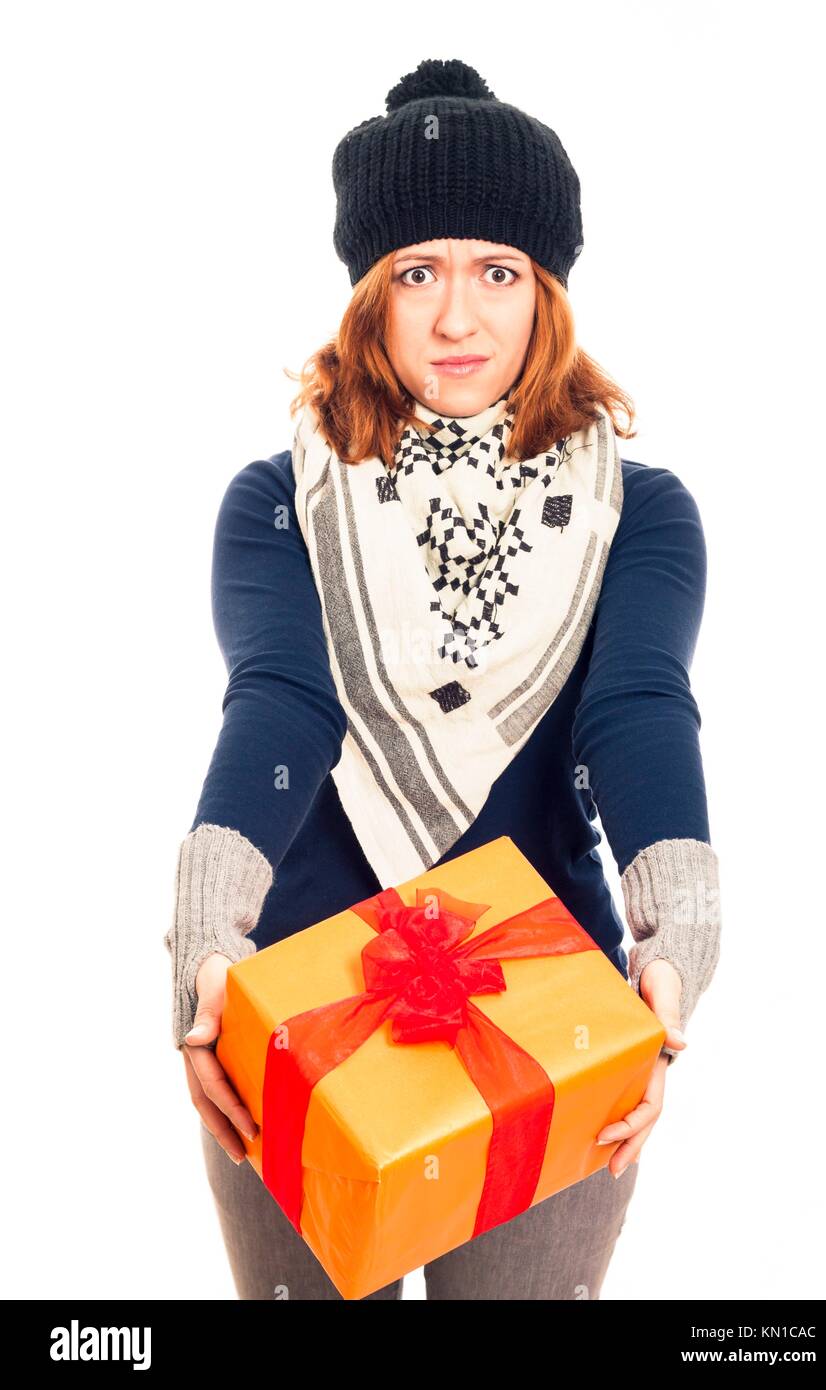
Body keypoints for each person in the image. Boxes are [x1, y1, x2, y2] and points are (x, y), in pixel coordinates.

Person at [165, 57, 721, 1301]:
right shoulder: (277, 503)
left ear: (547, 291)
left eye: (497, 272)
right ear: (369, 294)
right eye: (416, 272)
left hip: (550, 1010)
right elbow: (282, 703)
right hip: (305, 1016)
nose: (456, 319)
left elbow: (633, 710)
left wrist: (670, 954)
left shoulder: (639, 515)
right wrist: (206, 944)